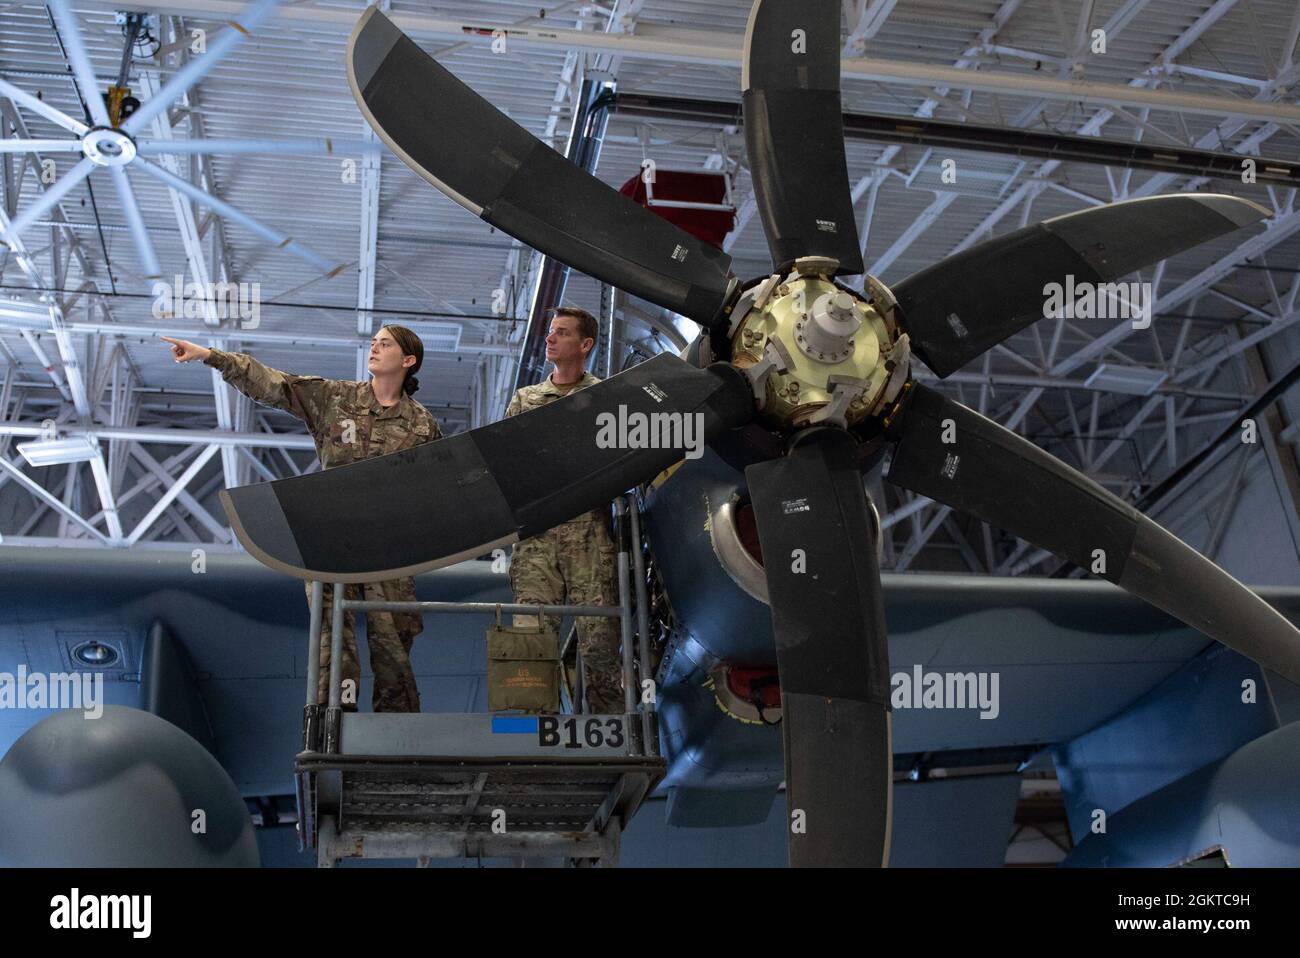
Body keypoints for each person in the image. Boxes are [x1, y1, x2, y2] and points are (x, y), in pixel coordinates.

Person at [161, 326, 441, 713]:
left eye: (385, 343)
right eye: (373, 341)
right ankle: (333, 721)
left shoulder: (423, 425)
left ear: (408, 360)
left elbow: (434, 494)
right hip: (330, 541)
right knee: (332, 638)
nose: (374, 347)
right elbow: (274, 384)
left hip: (389, 547)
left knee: (394, 642)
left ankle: (397, 730)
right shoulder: (335, 398)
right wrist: (211, 356)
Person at [504, 307, 623, 714]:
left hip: (590, 536)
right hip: (537, 537)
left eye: (562, 333)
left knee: (600, 644)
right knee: (531, 642)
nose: (550, 338)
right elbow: (508, 463)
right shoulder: (526, 400)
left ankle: (610, 731)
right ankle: (531, 734)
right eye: (550, 331)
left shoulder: (608, 397)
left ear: (585, 344)